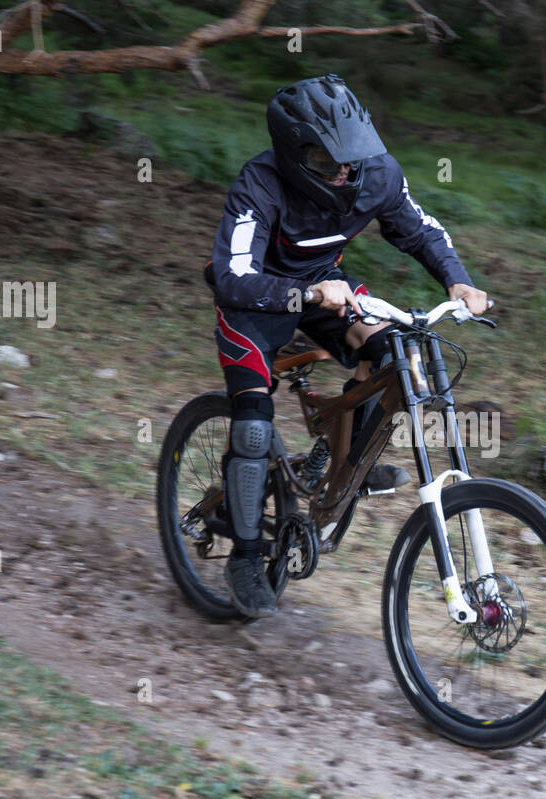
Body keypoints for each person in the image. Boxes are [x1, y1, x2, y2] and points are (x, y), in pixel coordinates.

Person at [207, 73, 489, 619]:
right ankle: (244, 557)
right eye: (325, 159)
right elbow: (231, 277)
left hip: (326, 288)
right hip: (255, 303)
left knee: (395, 354)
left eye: (351, 156)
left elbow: (420, 229)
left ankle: (340, 464)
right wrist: (308, 292)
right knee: (253, 426)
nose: (343, 171)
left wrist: (457, 280)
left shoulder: (377, 174)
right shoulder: (259, 184)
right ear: (292, 153)